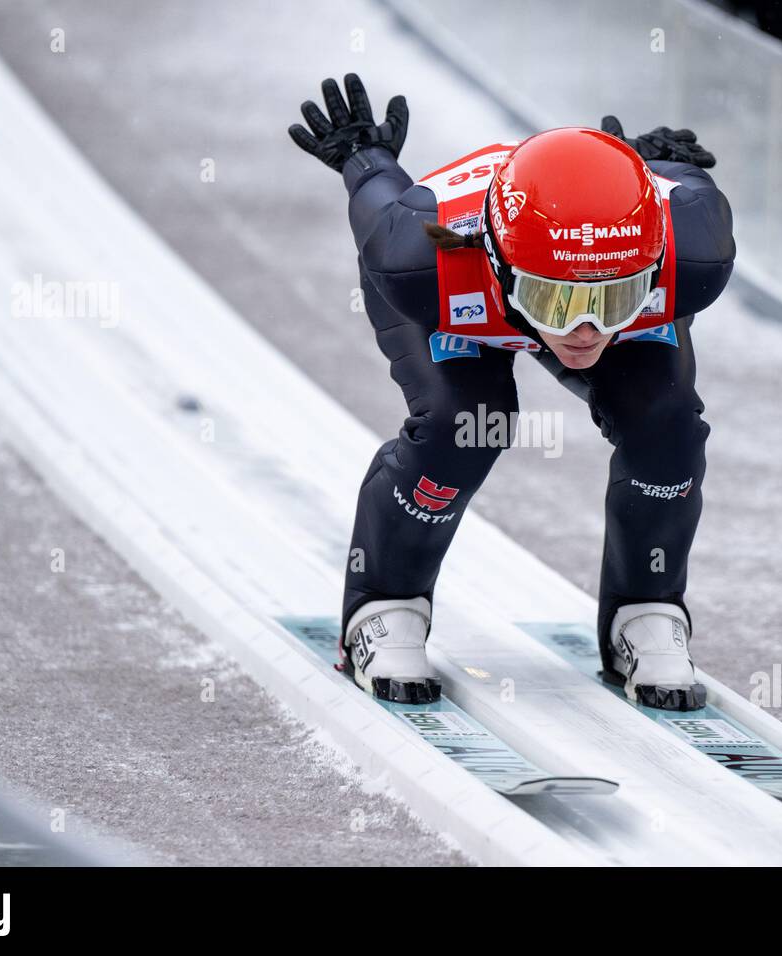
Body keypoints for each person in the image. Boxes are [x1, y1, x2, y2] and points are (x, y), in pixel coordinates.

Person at [289, 75, 735, 712]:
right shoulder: (420, 255)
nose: (585, 330)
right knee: (464, 423)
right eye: (558, 299)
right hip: (463, 306)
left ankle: (647, 607)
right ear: (495, 261)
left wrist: (640, 164)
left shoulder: (693, 247)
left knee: (667, 425)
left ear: (654, 264)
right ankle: (386, 603)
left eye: (612, 296)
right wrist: (366, 159)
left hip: (538, 283)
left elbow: (673, 187)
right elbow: (378, 202)